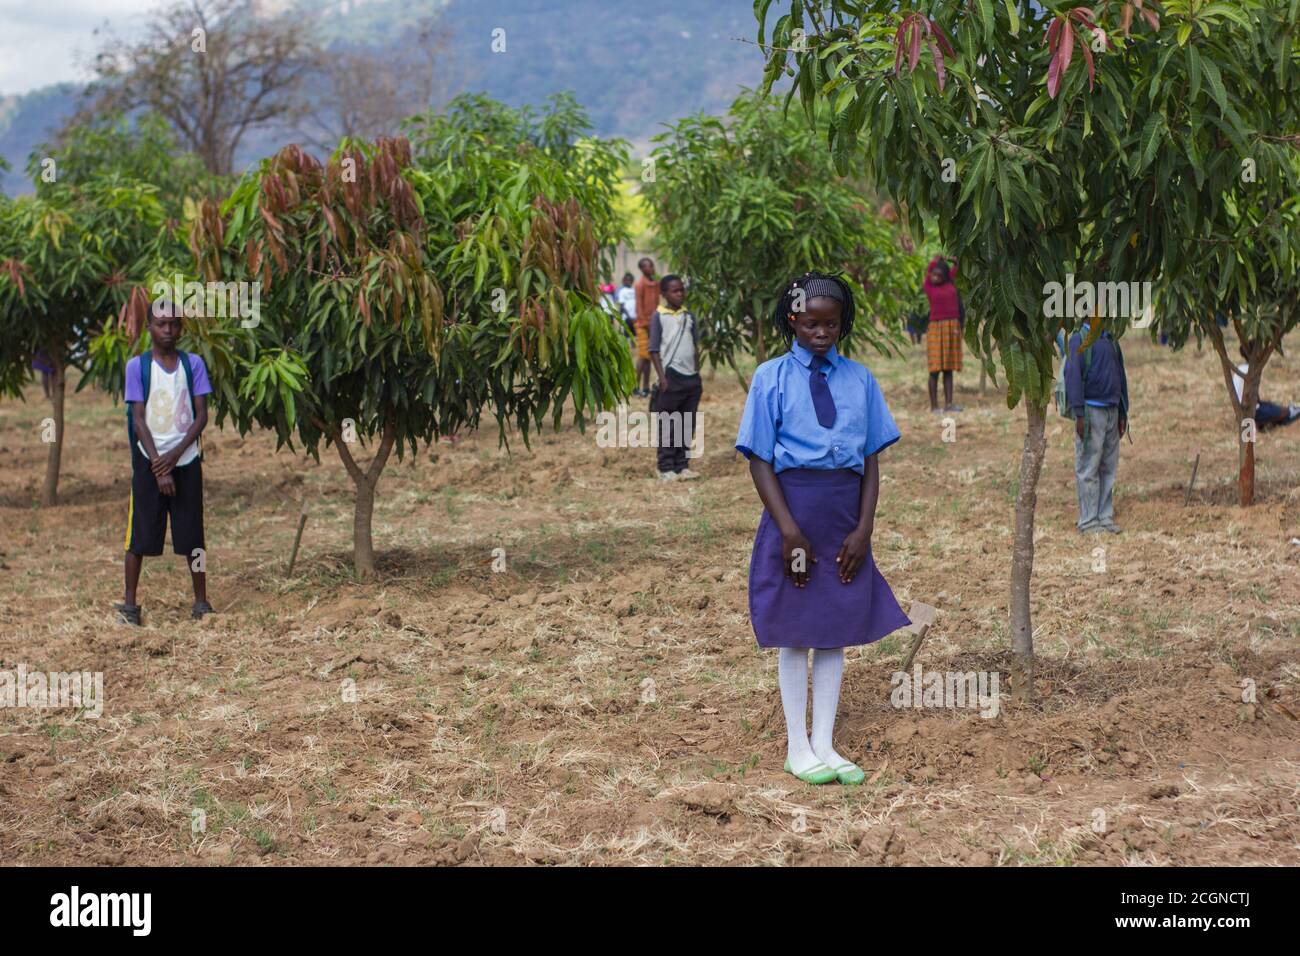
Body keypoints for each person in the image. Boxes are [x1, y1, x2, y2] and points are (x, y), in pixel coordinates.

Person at [735, 271, 910, 786]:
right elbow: (759, 460)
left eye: (831, 323)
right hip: (795, 514)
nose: (821, 332)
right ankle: (797, 745)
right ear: (792, 320)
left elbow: (872, 459)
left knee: (834, 628)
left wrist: (865, 527)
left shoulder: (860, 379)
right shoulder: (771, 377)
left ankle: (826, 744)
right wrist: (788, 530)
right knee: (796, 629)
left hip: (844, 517)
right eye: (811, 323)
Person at [117, 298, 214, 625]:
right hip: (149, 462)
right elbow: (138, 420)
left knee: (193, 537)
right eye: (161, 324)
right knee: (139, 536)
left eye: (174, 324)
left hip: (186, 461)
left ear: (181, 327)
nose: (168, 330)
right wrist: (159, 465)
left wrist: (174, 457)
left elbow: (201, 417)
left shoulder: (194, 364)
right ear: (149, 328)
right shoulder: (138, 367)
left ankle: (201, 602)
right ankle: (130, 606)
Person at [1064, 322, 1129, 534]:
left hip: (1111, 410)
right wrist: (1079, 414)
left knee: (1108, 467)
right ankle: (1089, 521)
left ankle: (1105, 516)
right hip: (1092, 412)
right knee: (1088, 467)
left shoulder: (1110, 339)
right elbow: (1072, 375)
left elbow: (1121, 377)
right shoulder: (1079, 340)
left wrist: (1122, 412)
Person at [648, 275, 701, 481]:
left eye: (681, 290)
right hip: (670, 377)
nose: (680, 294)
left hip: (691, 378)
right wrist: (662, 378)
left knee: (687, 423)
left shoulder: (689, 316)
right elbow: (653, 349)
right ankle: (665, 467)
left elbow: (695, 345)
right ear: (664, 294)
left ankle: (682, 465)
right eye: (674, 291)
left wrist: (697, 372)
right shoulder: (658, 316)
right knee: (668, 423)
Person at [922, 256, 963, 412]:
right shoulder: (929, 287)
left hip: (951, 327)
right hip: (936, 328)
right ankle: (934, 406)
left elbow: (956, 268)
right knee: (934, 369)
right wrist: (936, 260)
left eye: (939, 275)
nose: (935, 277)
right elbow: (929, 271)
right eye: (934, 274)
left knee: (948, 369)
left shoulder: (950, 282)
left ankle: (949, 404)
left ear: (945, 276)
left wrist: (952, 260)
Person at [1232, 350, 1300, 430]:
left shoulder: (1241, 368)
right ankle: (1288, 413)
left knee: (1271, 406)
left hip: (1243, 409)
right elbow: (1250, 396)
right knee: (1282, 413)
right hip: (1251, 411)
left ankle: (1287, 411)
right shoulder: (1251, 371)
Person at [633, 257, 659, 397]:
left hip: (653, 323)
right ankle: (634, 386)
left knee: (649, 357)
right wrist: (645, 324)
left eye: (652, 265)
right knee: (643, 356)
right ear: (642, 269)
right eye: (648, 266)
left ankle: (645, 387)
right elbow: (639, 306)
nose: (651, 267)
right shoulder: (639, 285)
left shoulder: (655, 283)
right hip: (643, 325)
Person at [615, 272, 638, 337]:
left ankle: (634, 346)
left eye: (630, 280)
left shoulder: (634, 290)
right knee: (626, 334)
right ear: (624, 281)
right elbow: (622, 306)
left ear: (632, 281)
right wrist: (629, 317)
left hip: (635, 317)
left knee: (635, 335)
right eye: (627, 280)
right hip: (626, 317)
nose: (628, 282)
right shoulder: (622, 291)